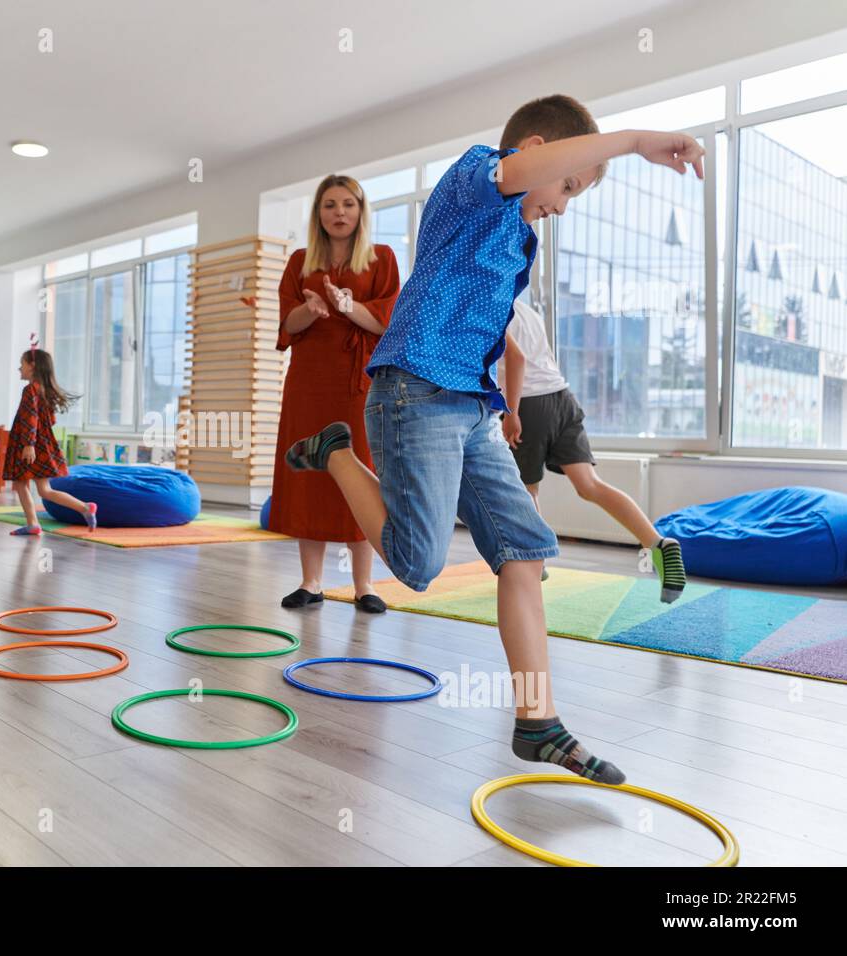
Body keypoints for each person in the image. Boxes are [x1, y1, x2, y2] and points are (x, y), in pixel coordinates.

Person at [285, 94, 704, 784]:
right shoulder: (474, 181)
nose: (566, 203)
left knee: (526, 553)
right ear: (534, 150)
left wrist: (506, 405)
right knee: (417, 566)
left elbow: (497, 329)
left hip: (472, 406)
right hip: (415, 387)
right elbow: (524, 170)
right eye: (567, 185)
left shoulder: (519, 235)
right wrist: (628, 141)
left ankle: (537, 723)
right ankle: (334, 450)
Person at [499, 296, 686, 601]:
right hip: (562, 398)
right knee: (589, 486)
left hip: (530, 402)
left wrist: (512, 410)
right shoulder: (526, 310)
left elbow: (516, 360)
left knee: (526, 489)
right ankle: (658, 544)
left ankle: (535, 562)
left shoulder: (492, 304)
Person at [271, 175, 400, 613]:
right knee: (310, 472)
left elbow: (386, 322)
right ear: (318, 213)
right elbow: (287, 326)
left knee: (361, 471)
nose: (339, 212)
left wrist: (348, 307)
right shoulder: (300, 261)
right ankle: (311, 582)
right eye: (329, 204)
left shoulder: (382, 259)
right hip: (309, 382)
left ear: (361, 210)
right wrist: (310, 310)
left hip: (359, 383)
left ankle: (364, 584)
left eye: (347, 204)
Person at [3, 348, 96, 535]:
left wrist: (29, 444)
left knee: (21, 484)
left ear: (32, 366)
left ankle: (33, 523)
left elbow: (30, 417)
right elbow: (49, 420)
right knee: (44, 490)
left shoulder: (30, 390)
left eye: (22, 364)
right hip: (42, 445)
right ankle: (85, 508)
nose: (18, 368)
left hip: (29, 445)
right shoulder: (44, 391)